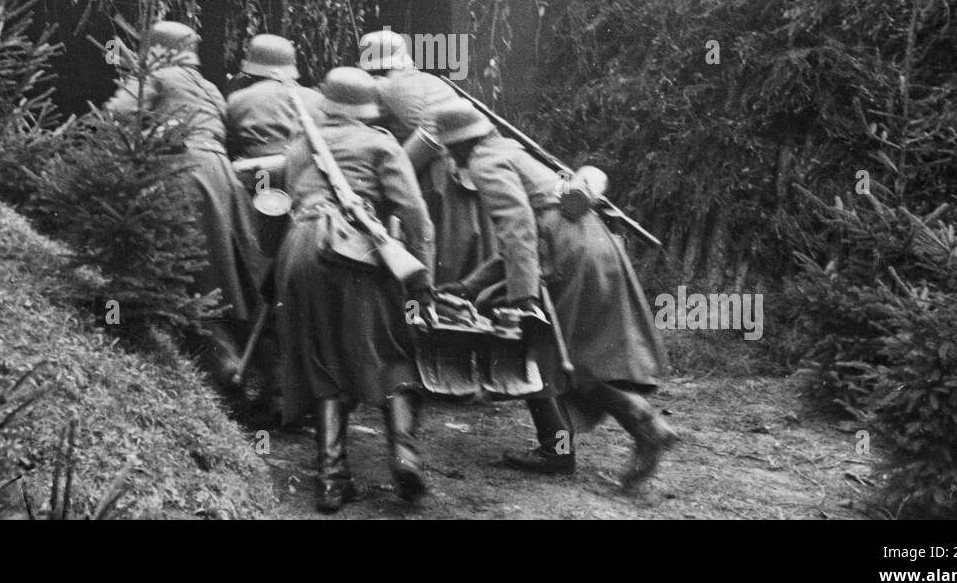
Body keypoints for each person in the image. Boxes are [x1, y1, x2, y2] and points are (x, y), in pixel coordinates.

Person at [433, 99, 680, 488]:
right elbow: (521, 236)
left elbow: (519, 232)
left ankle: (620, 430)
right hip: (589, 240)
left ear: (459, 144)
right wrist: (469, 287)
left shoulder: (485, 164)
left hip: (564, 250)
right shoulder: (510, 151)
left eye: (448, 148)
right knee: (570, 355)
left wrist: (523, 298)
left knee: (538, 350)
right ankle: (583, 441)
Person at [275, 67, 436, 512]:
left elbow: (291, 196)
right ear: (368, 108)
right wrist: (423, 282)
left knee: (325, 361)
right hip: (354, 250)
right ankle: (404, 454)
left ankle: (331, 480)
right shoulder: (380, 142)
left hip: (300, 249)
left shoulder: (299, 145)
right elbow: (415, 213)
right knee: (391, 352)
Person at [105, 21, 269, 388]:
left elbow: (117, 114)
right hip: (223, 177)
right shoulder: (209, 87)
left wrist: (148, 135)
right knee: (225, 275)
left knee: (192, 274)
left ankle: (220, 372)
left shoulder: (157, 77)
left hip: (184, 173)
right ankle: (255, 370)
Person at [358, 29, 493, 285]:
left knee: (435, 247)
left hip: (433, 177)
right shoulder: (434, 81)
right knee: (467, 246)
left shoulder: (381, 87)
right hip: (465, 171)